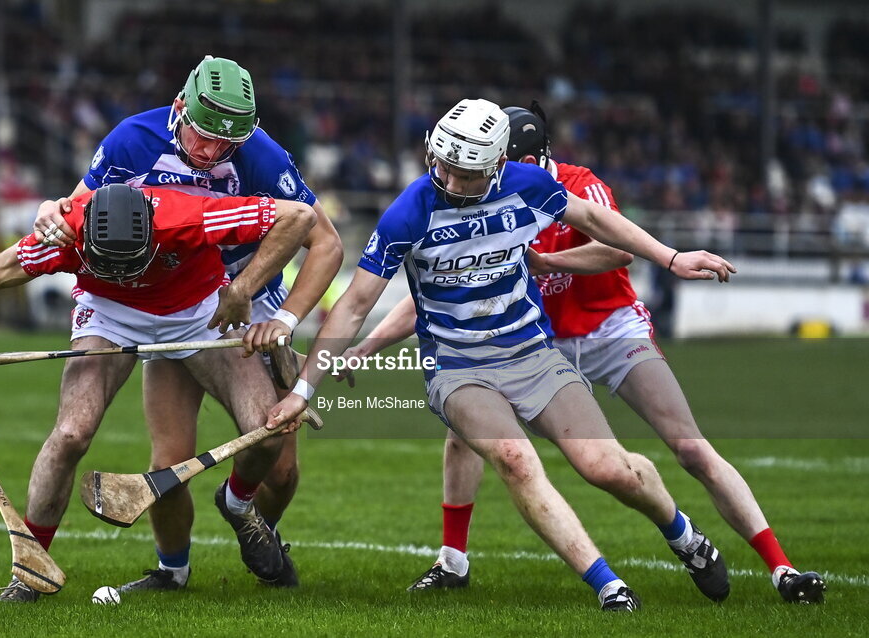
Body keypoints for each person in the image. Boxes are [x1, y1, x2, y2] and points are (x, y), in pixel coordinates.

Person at [338, 103, 827, 604]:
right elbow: (432, 294)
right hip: (532, 341)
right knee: (468, 435)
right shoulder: (471, 194)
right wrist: (367, 347)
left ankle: (775, 566)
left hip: (604, 331)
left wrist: (550, 260)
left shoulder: (570, 185)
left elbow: (616, 247)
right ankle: (453, 560)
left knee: (684, 449)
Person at [0, 184, 316, 602]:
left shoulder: (187, 216)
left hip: (199, 313)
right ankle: (30, 569)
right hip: (108, 315)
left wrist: (243, 287)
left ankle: (236, 502)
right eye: (112, 265)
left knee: (269, 429)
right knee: (71, 433)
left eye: (131, 264)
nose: (125, 275)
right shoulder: (66, 232)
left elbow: (299, 217)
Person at [33, 56, 342, 590]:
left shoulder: (261, 156)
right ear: (180, 109)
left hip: (250, 294)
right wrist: (50, 210)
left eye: (226, 144)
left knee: (279, 461)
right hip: (178, 300)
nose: (210, 154)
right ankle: (172, 571)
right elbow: (81, 211)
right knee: (171, 460)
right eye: (202, 136)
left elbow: (326, 243)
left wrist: (285, 319)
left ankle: (242, 509)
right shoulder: (133, 141)